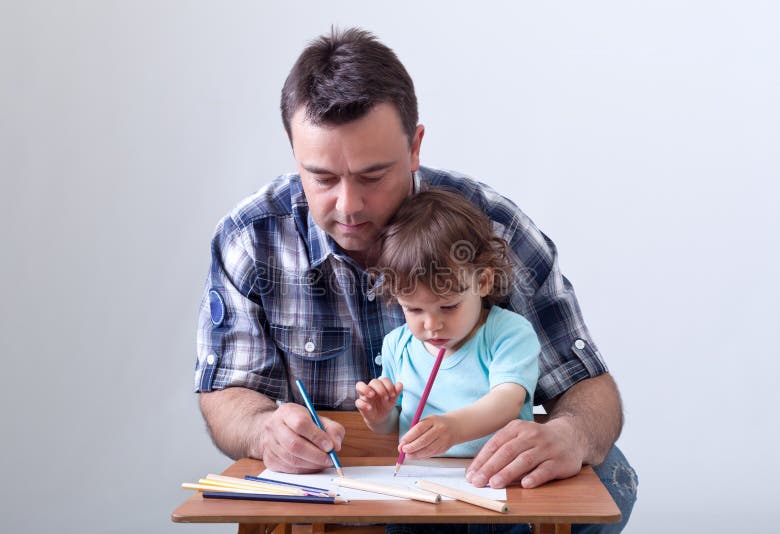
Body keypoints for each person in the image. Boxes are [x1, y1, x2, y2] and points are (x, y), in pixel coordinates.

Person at [195, 27, 637, 532]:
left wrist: (573, 435)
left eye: (372, 176)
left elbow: (587, 388)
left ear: (414, 148)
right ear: (294, 152)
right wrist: (261, 430)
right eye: (321, 178)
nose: (348, 206)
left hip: (478, 484)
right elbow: (227, 392)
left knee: (607, 474)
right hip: (341, 485)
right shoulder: (251, 238)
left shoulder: (491, 227)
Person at [356, 189, 539, 463]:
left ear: (484, 282)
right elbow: (399, 426)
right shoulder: (397, 345)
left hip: (497, 478)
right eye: (414, 309)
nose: (432, 325)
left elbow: (507, 402)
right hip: (423, 480)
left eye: (449, 306)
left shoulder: (508, 334)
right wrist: (380, 417)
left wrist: (453, 429)